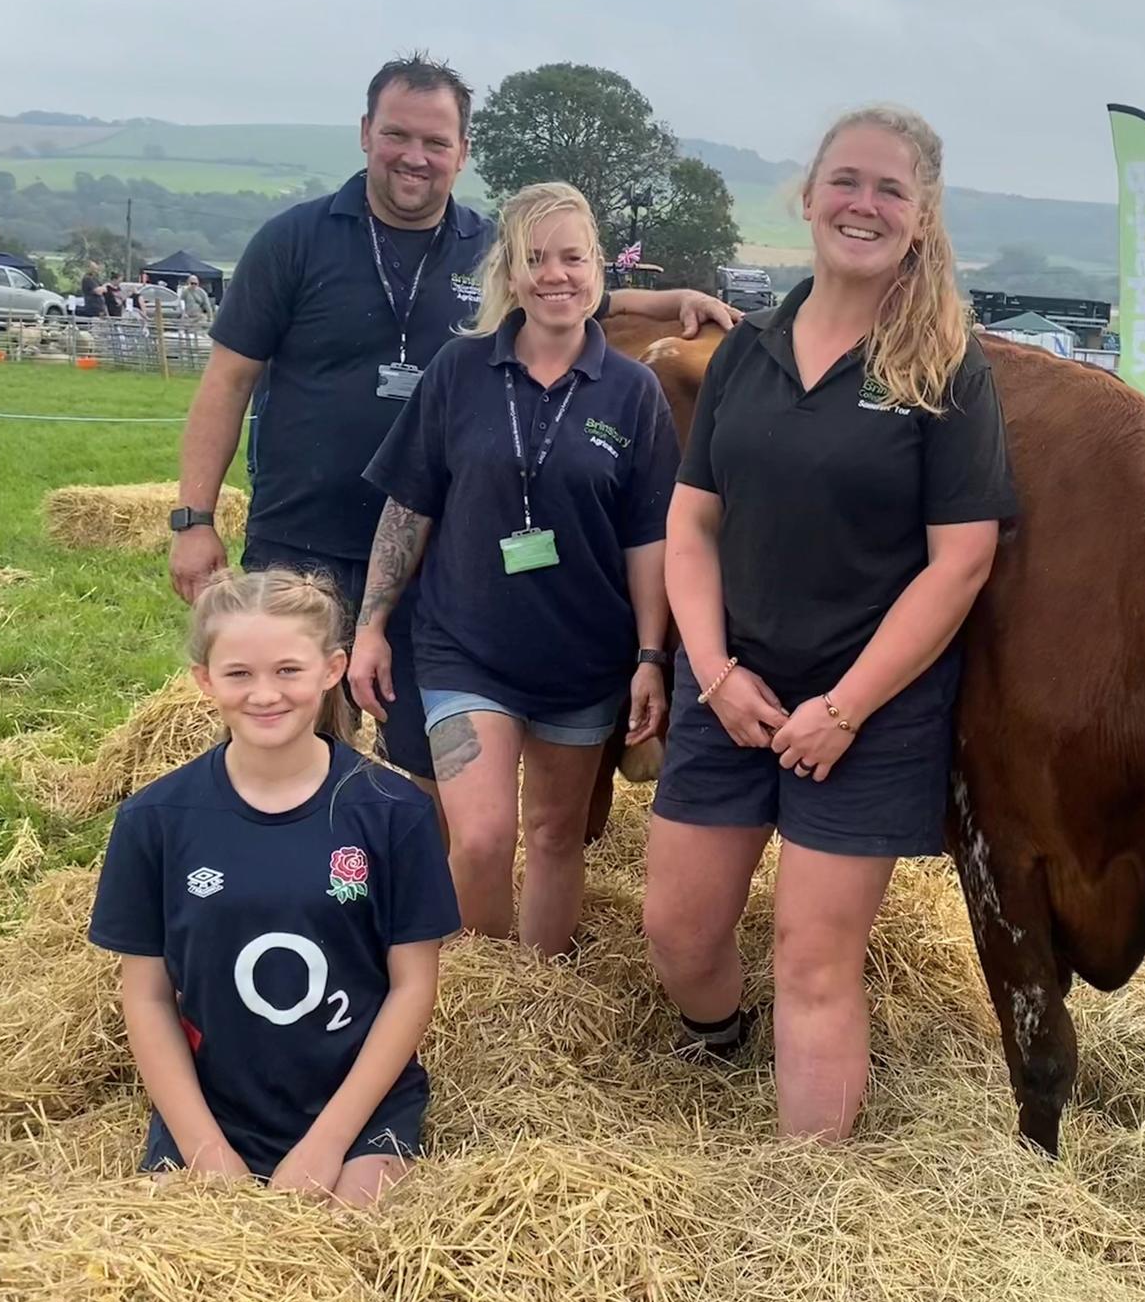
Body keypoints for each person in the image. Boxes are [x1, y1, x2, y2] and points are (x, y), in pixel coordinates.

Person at [169, 53, 733, 787]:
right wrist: (193, 518)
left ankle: (410, 892)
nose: (416, 157)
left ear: (463, 154)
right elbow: (226, 381)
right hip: (302, 536)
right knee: (284, 737)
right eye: (399, 135)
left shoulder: (486, 251)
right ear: (366, 132)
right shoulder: (292, 243)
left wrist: (668, 300)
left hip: (434, 555)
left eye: (437, 143)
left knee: (424, 766)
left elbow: (566, 295)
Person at [640, 105, 1016, 1141]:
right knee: (675, 934)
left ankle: (814, 1211)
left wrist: (843, 710)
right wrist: (711, 673)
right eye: (845, 181)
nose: (863, 204)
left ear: (923, 216)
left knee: (812, 960)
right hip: (733, 688)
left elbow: (962, 561)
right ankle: (719, 1040)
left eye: (890, 190)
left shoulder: (946, 369)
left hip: (869, 713)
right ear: (806, 198)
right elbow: (690, 526)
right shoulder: (747, 355)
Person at [354, 183, 679, 953]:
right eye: (536, 258)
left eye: (572, 256)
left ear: (599, 267)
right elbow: (408, 509)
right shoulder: (459, 370)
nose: (555, 275)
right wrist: (370, 625)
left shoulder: (634, 394)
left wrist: (649, 658)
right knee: (482, 838)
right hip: (466, 646)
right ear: (510, 271)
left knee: (558, 835)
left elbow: (650, 539)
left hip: (585, 657)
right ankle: (490, 992)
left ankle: (539, 984)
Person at [87, 569, 459, 1206]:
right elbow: (147, 998)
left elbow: (411, 987)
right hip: (215, 1109)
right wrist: (206, 1152)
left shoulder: (393, 811)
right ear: (205, 680)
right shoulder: (155, 820)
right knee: (198, 1272)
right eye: (239, 674)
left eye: (288, 670)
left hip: (354, 1107)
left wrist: (326, 1145)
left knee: (337, 1253)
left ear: (332, 669)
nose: (265, 694)